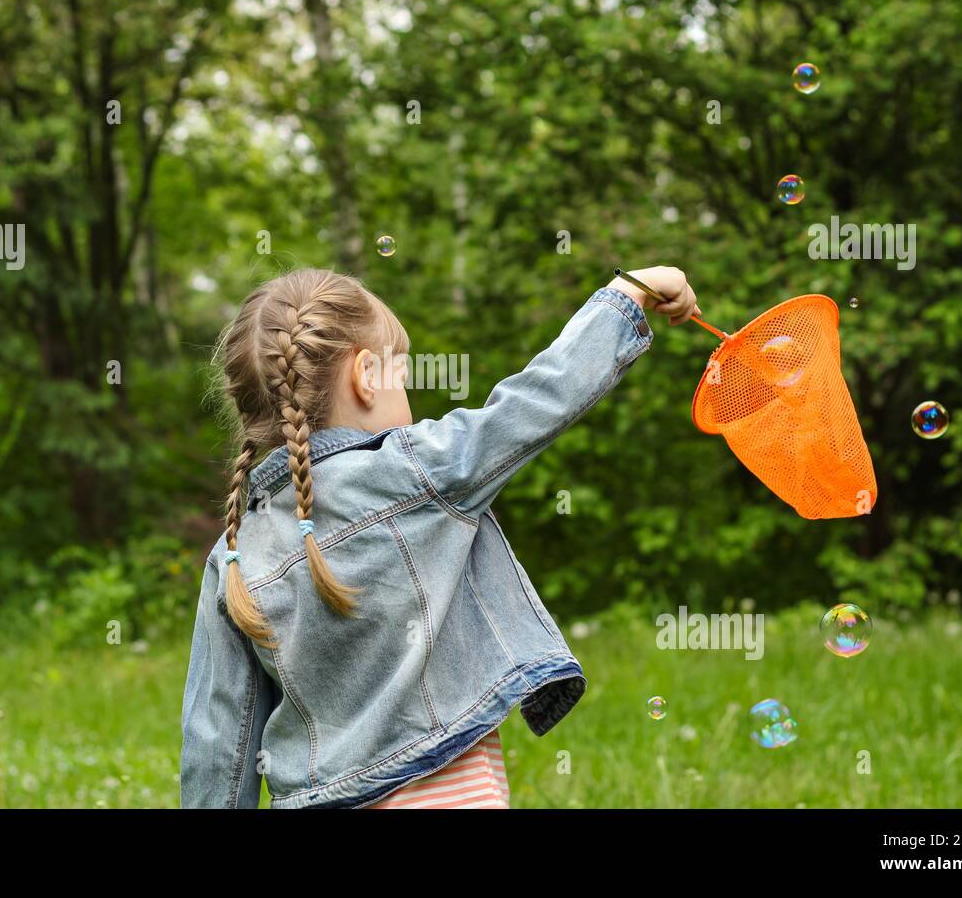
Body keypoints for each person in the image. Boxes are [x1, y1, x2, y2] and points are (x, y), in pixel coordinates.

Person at [181, 266, 700, 808]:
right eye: (400, 373)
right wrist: (627, 294)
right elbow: (539, 399)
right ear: (366, 376)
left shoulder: (234, 557)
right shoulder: (416, 469)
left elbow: (219, 740)